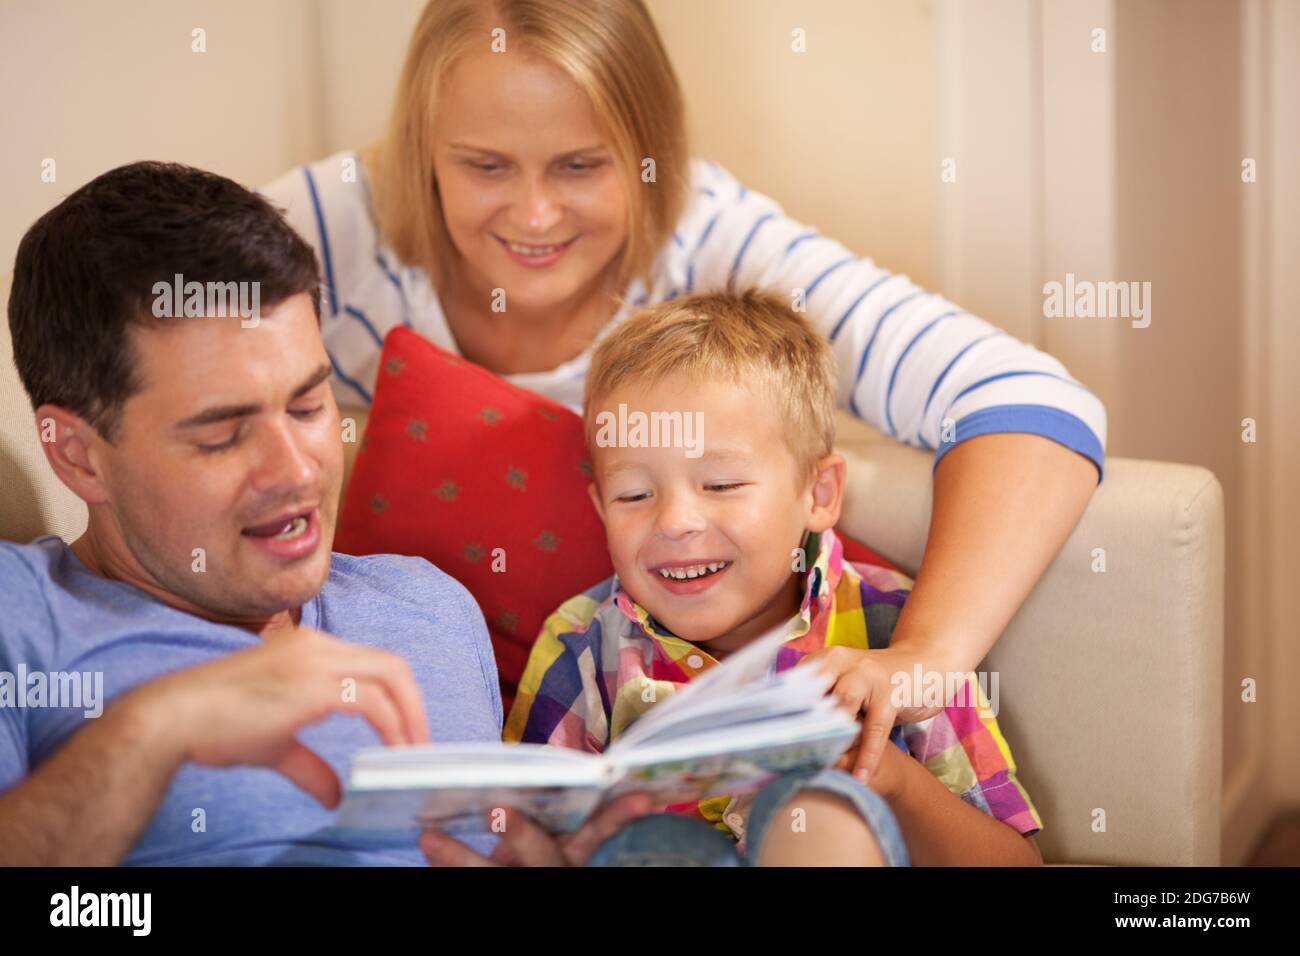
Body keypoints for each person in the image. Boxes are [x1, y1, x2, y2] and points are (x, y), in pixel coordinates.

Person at [259, 0, 1106, 786]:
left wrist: (924, 653)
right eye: (484, 166)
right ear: (421, 154)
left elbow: (1030, 399)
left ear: (647, 151)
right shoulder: (330, 224)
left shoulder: (709, 232)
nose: (536, 213)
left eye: (581, 165)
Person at [0, 160, 658, 865]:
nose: (295, 471)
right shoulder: (24, 619)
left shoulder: (431, 609)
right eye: (222, 434)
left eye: (309, 406)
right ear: (77, 456)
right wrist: (156, 728)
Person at [473, 290, 1041, 866]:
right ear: (601, 510)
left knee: (821, 806)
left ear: (818, 495)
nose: (674, 522)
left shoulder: (901, 631)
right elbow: (521, 841)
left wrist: (887, 776)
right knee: (649, 846)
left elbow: (1014, 862)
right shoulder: (584, 643)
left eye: (720, 485)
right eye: (635, 494)